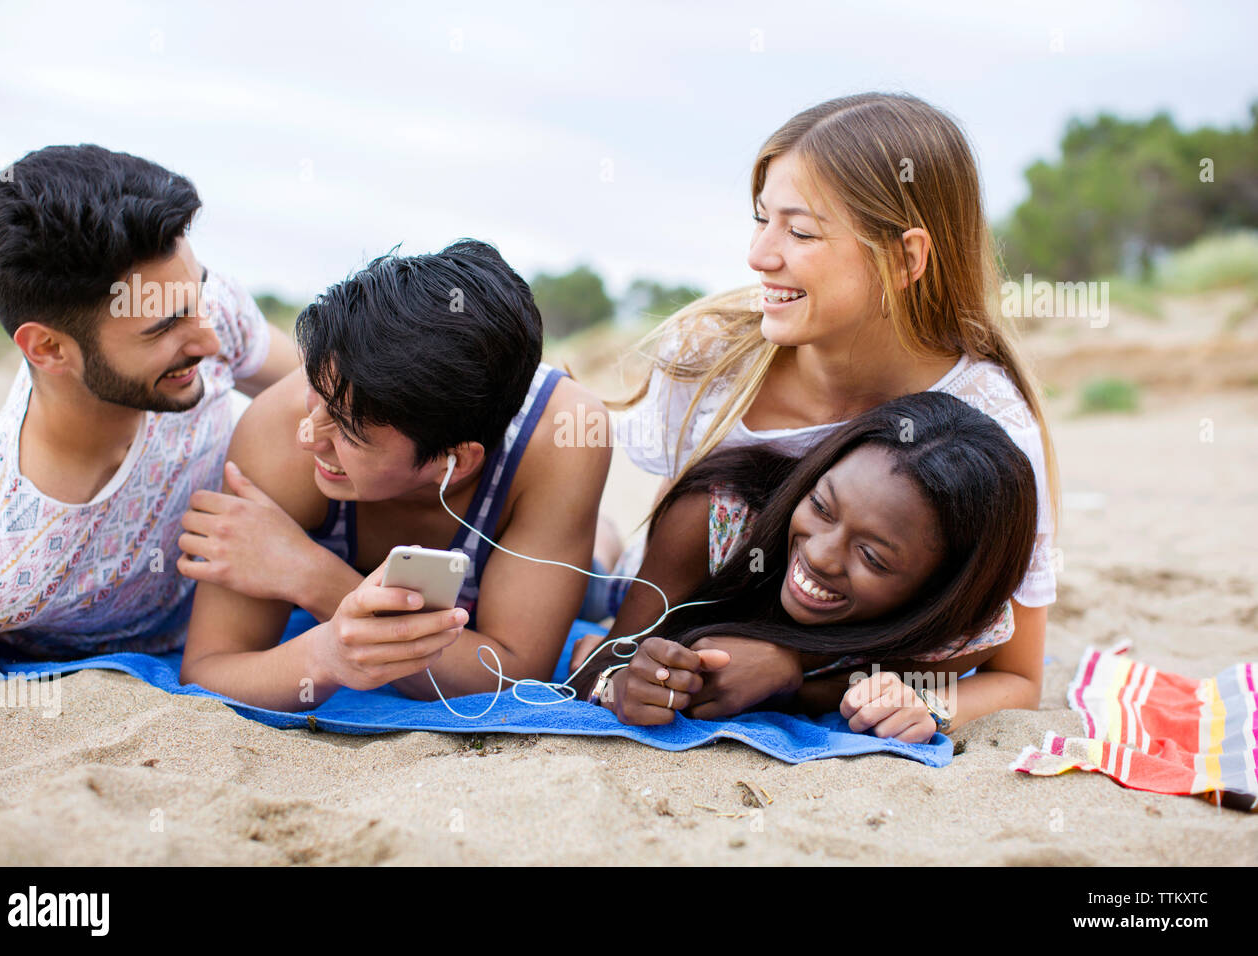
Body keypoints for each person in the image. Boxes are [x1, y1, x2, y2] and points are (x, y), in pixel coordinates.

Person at [575, 92, 1058, 728]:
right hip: (695, 596)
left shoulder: (990, 432)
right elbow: (676, 557)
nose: (759, 255)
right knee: (598, 564)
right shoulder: (715, 359)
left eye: (801, 231)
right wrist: (622, 665)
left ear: (907, 258)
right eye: (761, 218)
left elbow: (1017, 675)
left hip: (839, 639)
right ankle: (600, 551)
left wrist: (874, 689)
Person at [177, 240, 612, 712]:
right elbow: (207, 670)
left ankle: (603, 541)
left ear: (452, 462)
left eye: (346, 429)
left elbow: (513, 677)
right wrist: (323, 656)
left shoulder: (561, 436)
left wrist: (308, 574)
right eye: (315, 392)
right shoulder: (278, 429)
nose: (309, 436)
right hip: (466, 592)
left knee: (595, 587)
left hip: (515, 563)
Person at [0, 145, 297, 657]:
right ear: (49, 349)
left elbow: (328, 398)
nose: (208, 340)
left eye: (198, 298)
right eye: (163, 328)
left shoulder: (198, 306)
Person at [572, 392, 1037, 744]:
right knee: (594, 580)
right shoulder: (713, 516)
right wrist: (621, 682)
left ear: (938, 592)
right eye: (821, 505)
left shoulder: (956, 630)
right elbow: (599, 668)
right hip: (661, 575)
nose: (819, 555)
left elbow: (1016, 685)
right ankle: (606, 542)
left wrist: (792, 669)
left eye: (872, 556)